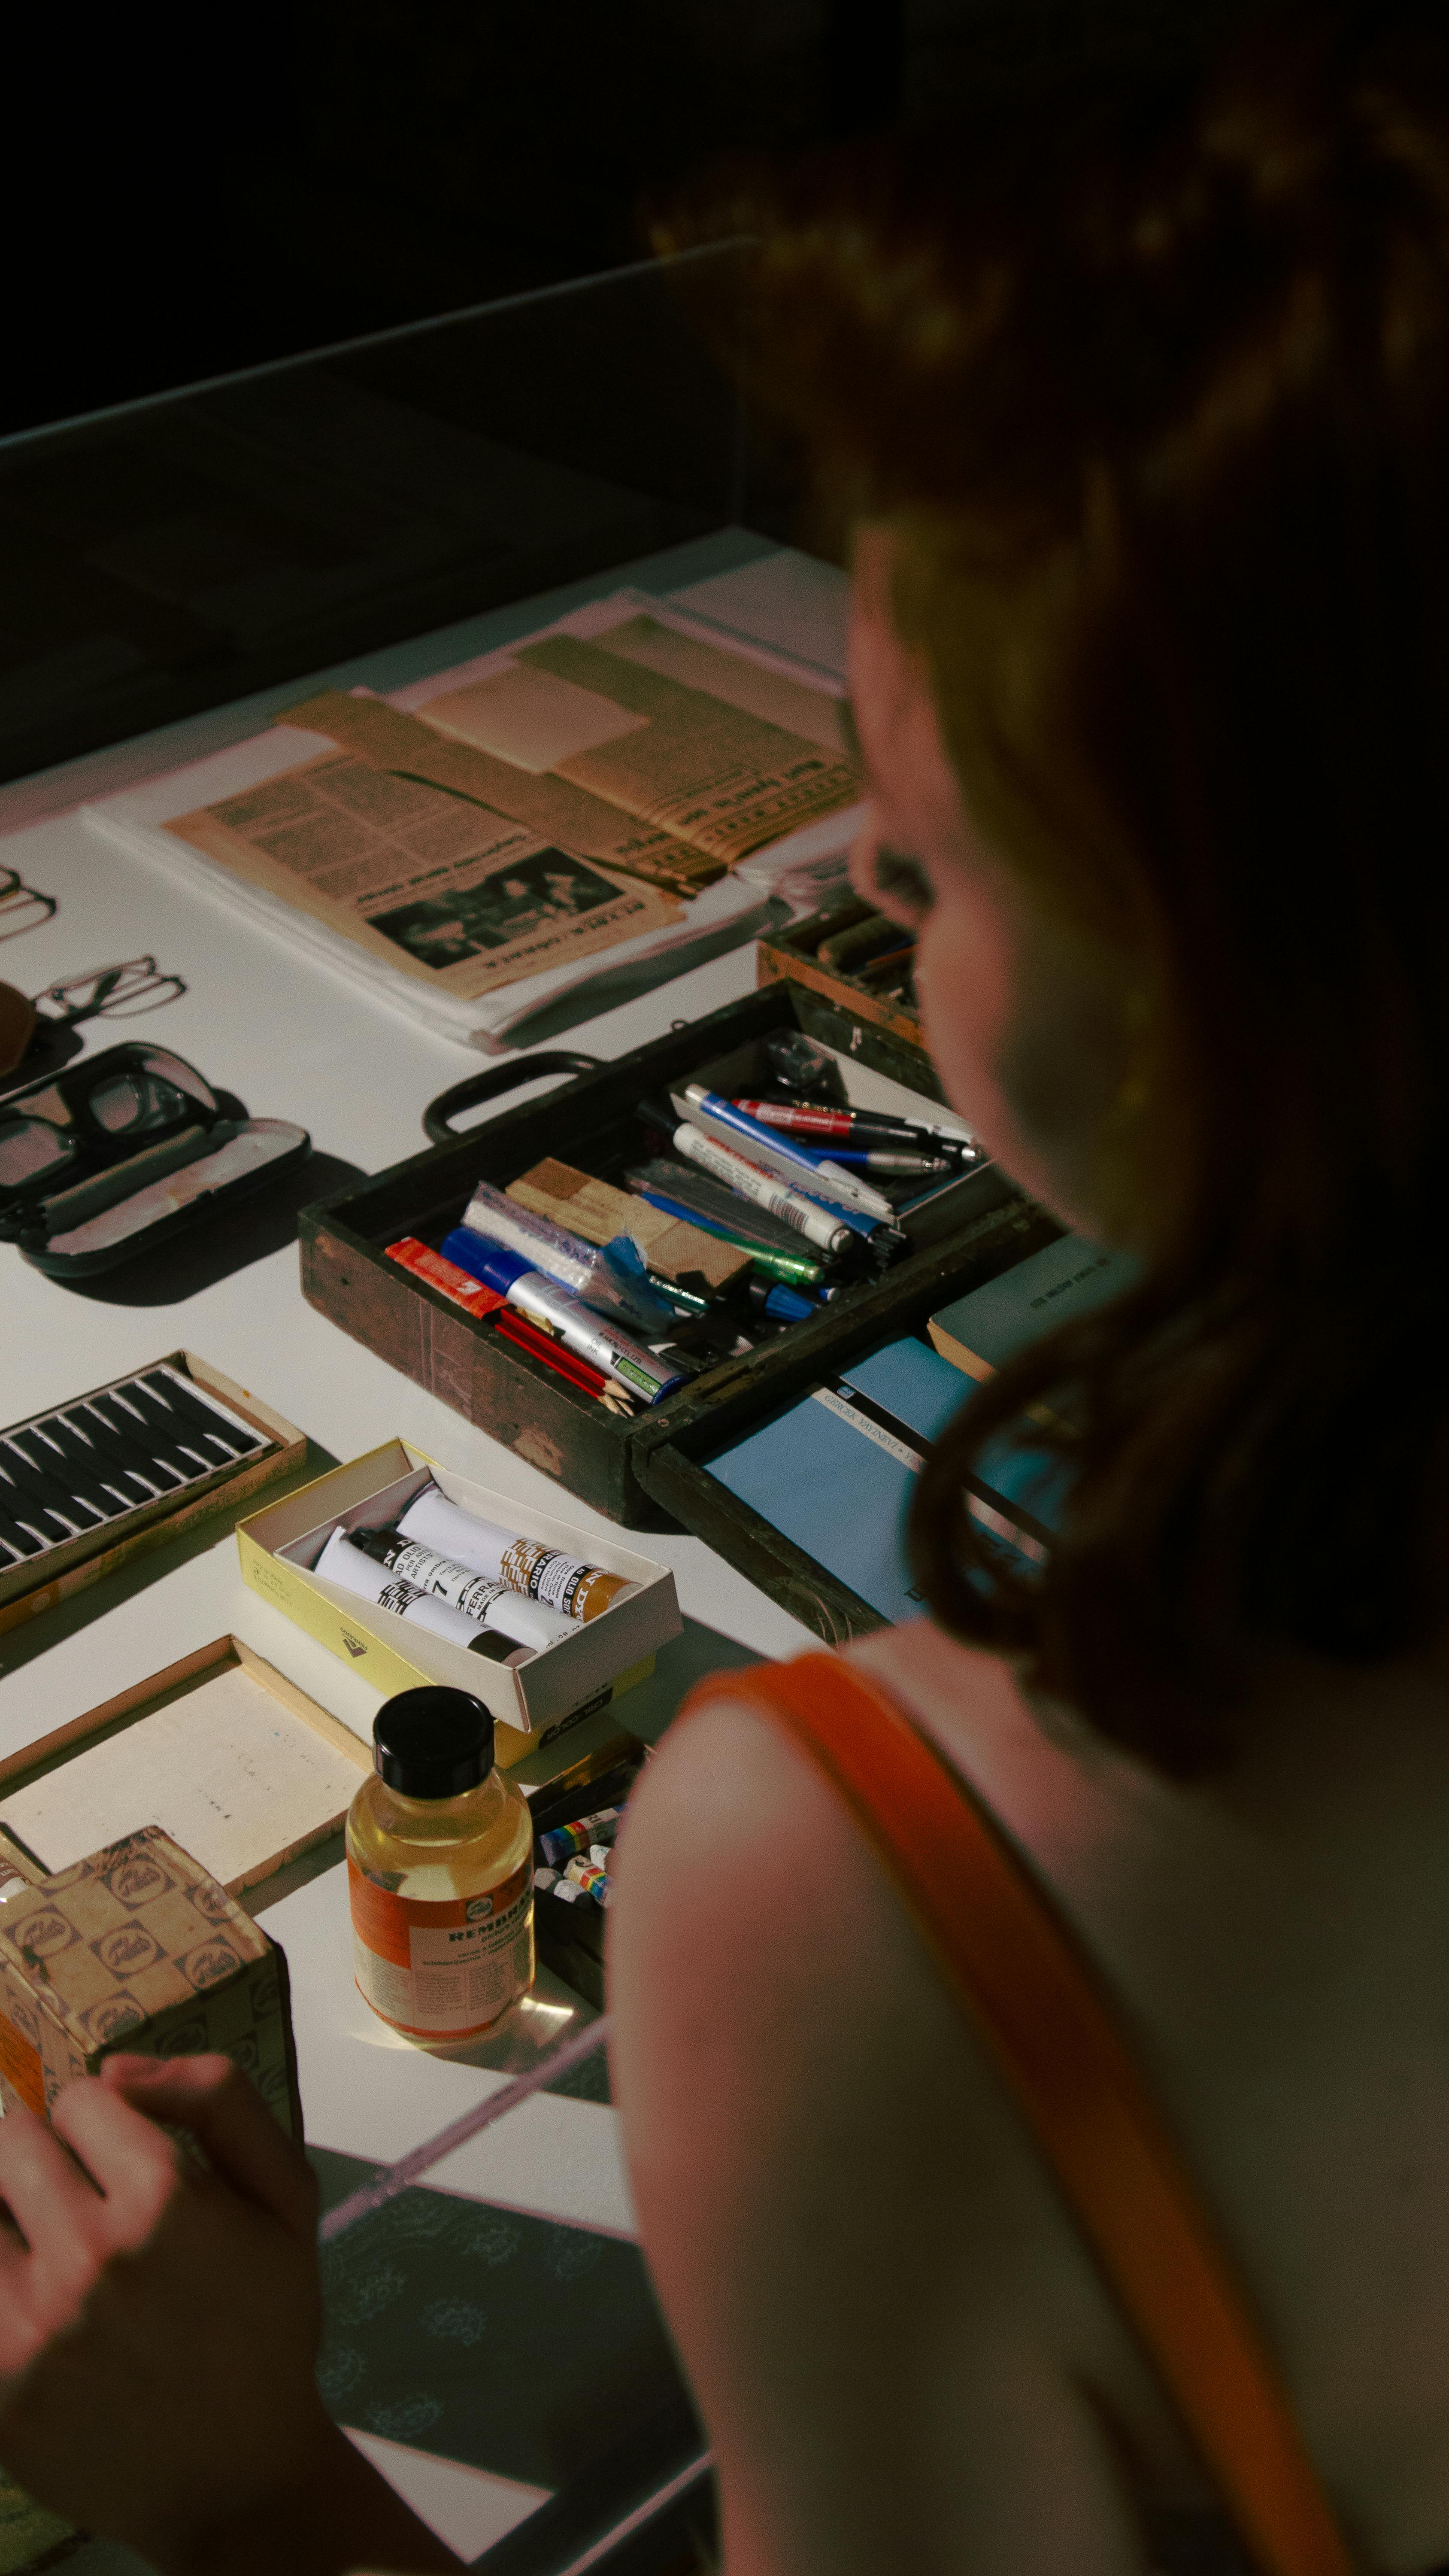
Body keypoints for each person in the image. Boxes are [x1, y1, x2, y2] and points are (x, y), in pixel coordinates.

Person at [5, 3, 1449, 2568]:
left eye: (930, 858)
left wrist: (239, 2487)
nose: (853, 889)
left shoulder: (875, 1874)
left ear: (1255, 956)